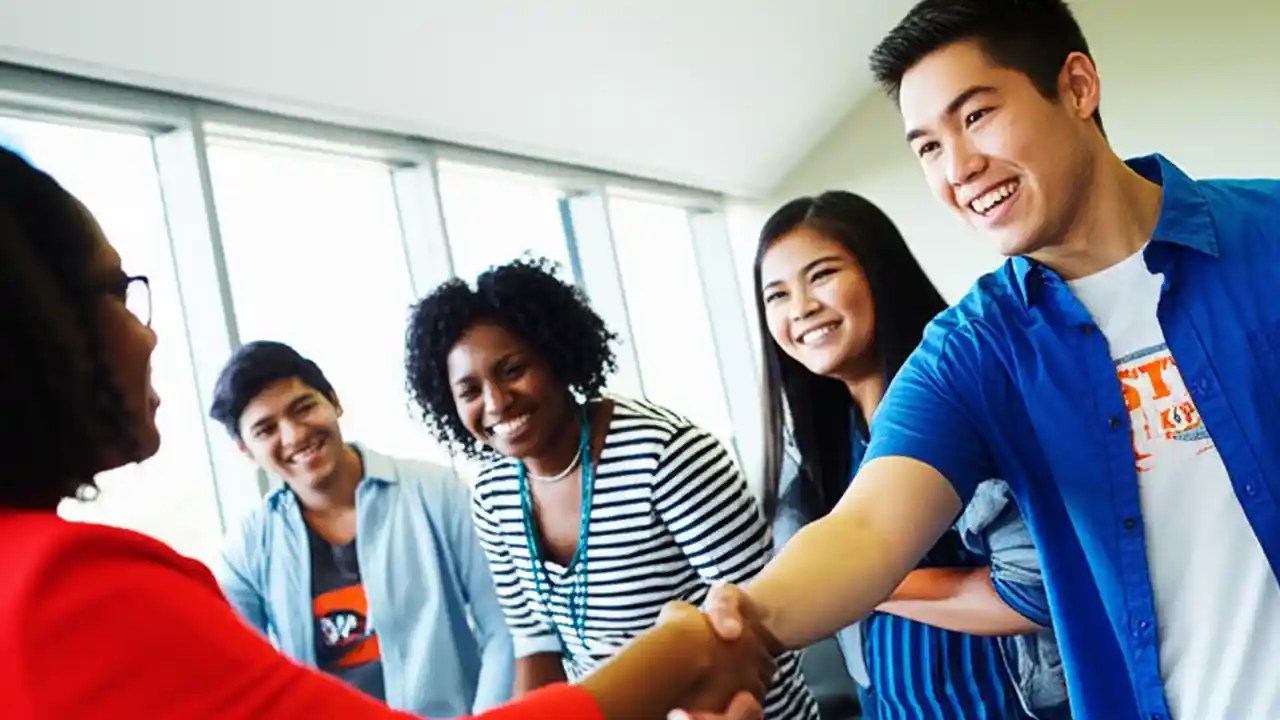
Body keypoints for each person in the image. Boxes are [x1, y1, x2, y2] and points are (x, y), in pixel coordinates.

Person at [0, 144, 775, 720]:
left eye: (514, 369)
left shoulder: (621, 457)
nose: (149, 338)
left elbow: (757, 612)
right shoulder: (71, 586)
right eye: (116, 293)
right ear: (37, 325)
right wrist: (676, 651)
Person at [696, 1, 1280, 719]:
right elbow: (868, 529)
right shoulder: (973, 350)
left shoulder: (1269, 237)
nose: (959, 169)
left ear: (1076, 87)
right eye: (928, 148)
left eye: (974, 117)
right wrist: (740, 621)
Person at [404, 257, 820, 720]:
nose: (497, 403)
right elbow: (536, 644)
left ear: (557, 356)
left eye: (513, 370)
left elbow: (765, 622)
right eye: (470, 391)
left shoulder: (665, 454)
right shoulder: (494, 496)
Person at [757, 190, 1067, 719]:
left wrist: (855, 580)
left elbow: (1033, 591)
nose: (801, 307)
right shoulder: (811, 444)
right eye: (777, 295)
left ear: (881, 273)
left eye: (822, 275)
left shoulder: (962, 402)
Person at [208, 341, 513, 716]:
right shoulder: (246, 551)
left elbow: (504, 628)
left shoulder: (438, 492)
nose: (294, 436)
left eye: (303, 408)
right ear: (246, 451)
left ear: (333, 402)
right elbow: (242, 680)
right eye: (265, 429)